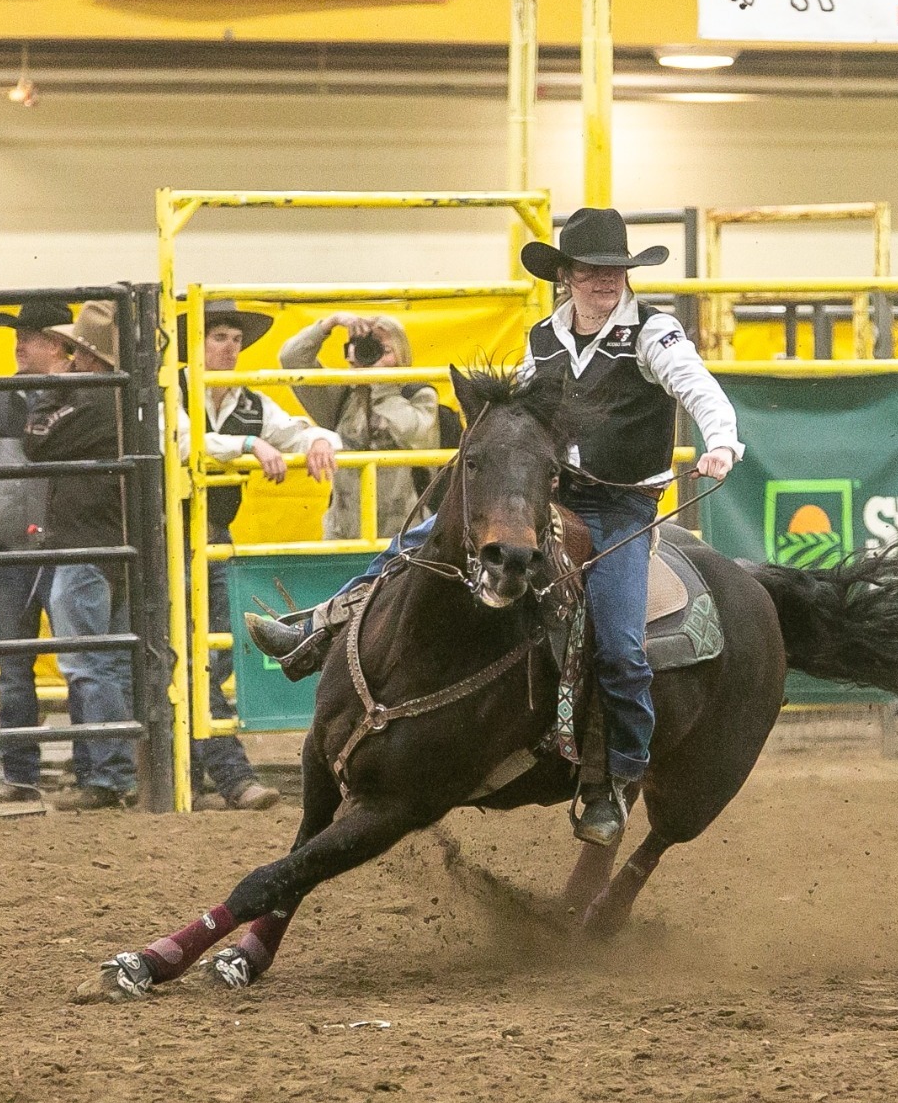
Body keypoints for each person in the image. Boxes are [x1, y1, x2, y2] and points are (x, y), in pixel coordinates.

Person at [246, 208, 744, 845]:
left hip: (621, 509)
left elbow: (695, 386)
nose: (604, 281)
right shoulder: (544, 338)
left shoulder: (655, 332)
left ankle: (613, 781)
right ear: (566, 276)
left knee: (621, 646)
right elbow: (526, 416)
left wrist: (721, 440)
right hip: (550, 493)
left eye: (614, 271)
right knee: (417, 550)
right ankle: (317, 626)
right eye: (591, 270)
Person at [180, 298, 338, 811]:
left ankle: (188, 770)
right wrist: (247, 444)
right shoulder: (174, 390)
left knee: (209, 655)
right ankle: (232, 776)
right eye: (217, 336)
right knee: (198, 658)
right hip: (174, 535)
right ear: (195, 345)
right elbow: (183, 444)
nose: (228, 347)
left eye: (233, 338)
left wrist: (316, 439)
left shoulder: (248, 401)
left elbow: (298, 428)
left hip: (210, 535)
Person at [27, 300, 139, 811]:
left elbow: (38, 444)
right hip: (113, 544)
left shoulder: (92, 401)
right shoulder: (124, 400)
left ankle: (106, 775)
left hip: (84, 547)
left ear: (86, 356)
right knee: (108, 661)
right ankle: (114, 772)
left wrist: (51, 394)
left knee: (86, 662)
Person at [0, 300, 72, 803]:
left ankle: (86, 770)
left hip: (64, 546)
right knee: (17, 666)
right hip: (15, 548)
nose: (19, 343)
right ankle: (21, 771)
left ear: (56, 343)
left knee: (82, 661)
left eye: (29, 334)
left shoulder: (77, 395)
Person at [276, 313, 460, 540]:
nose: (372, 356)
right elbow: (291, 359)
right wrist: (330, 323)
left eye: (382, 350)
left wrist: (381, 385)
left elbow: (416, 434)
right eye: (365, 347)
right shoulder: (343, 397)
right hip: (343, 535)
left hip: (404, 535)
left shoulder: (419, 395)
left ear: (401, 355)